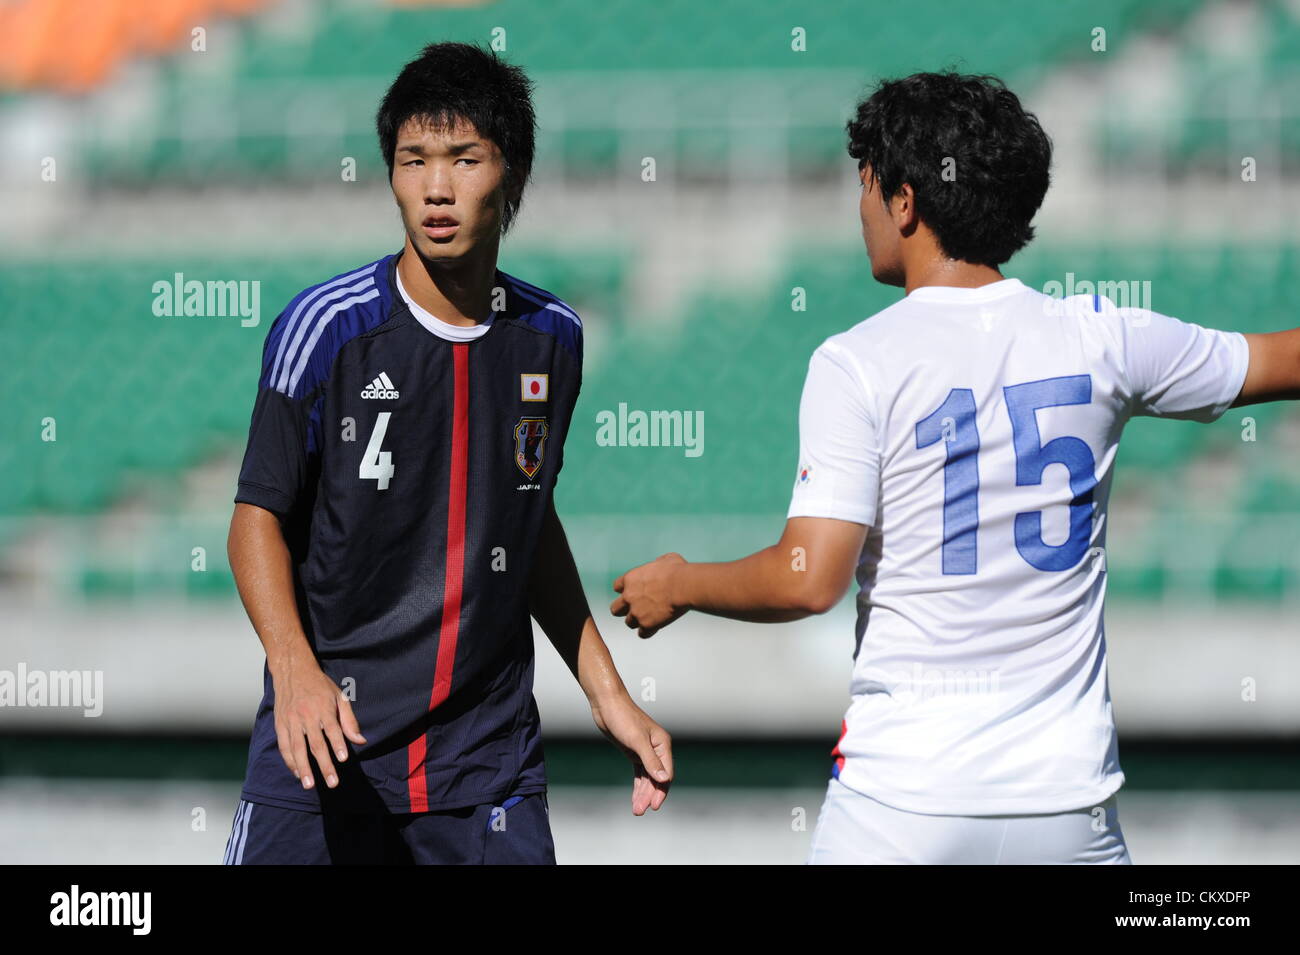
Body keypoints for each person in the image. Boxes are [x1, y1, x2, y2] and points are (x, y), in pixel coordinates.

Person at [610, 70, 1299, 864]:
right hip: (1065, 804)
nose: (861, 209)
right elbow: (1283, 359)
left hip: (906, 799)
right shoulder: (1104, 335)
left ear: (905, 201)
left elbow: (808, 578)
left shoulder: (858, 360)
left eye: (867, 186)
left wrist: (681, 583)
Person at [223, 41, 671, 866]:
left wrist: (611, 697)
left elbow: (526, 523)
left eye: (465, 159)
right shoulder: (323, 330)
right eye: (412, 160)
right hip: (327, 746)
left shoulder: (552, 339)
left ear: (512, 175)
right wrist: (293, 668)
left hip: (485, 766)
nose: (436, 187)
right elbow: (256, 518)